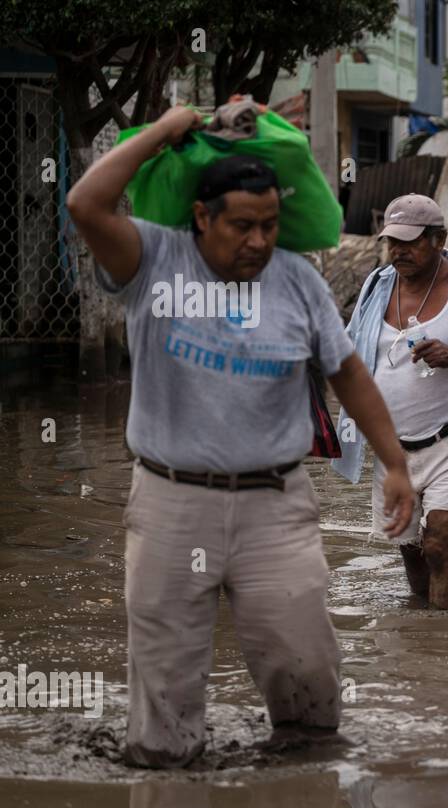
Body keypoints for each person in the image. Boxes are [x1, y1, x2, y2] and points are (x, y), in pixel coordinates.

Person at [66, 105, 417, 768]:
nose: (258, 241)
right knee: (165, 694)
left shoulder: (297, 281)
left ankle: (299, 801)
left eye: (270, 225)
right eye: (242, 226)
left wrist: (394, 464)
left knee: (305, 666)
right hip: (172, 503)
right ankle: (167, 804)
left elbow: (348, 373)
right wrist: (164, 131)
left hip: (276, 506)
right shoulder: (152, 259)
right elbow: (85, 203)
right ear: (201, 219)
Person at [332, 194, 448, 610]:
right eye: (391, 242)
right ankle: (423, 635)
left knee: (438, 543)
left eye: (410, 241)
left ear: (439, 239)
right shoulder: (376, 286)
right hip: (392, 446)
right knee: (411, 548)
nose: (398, 251)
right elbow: (349, 349)